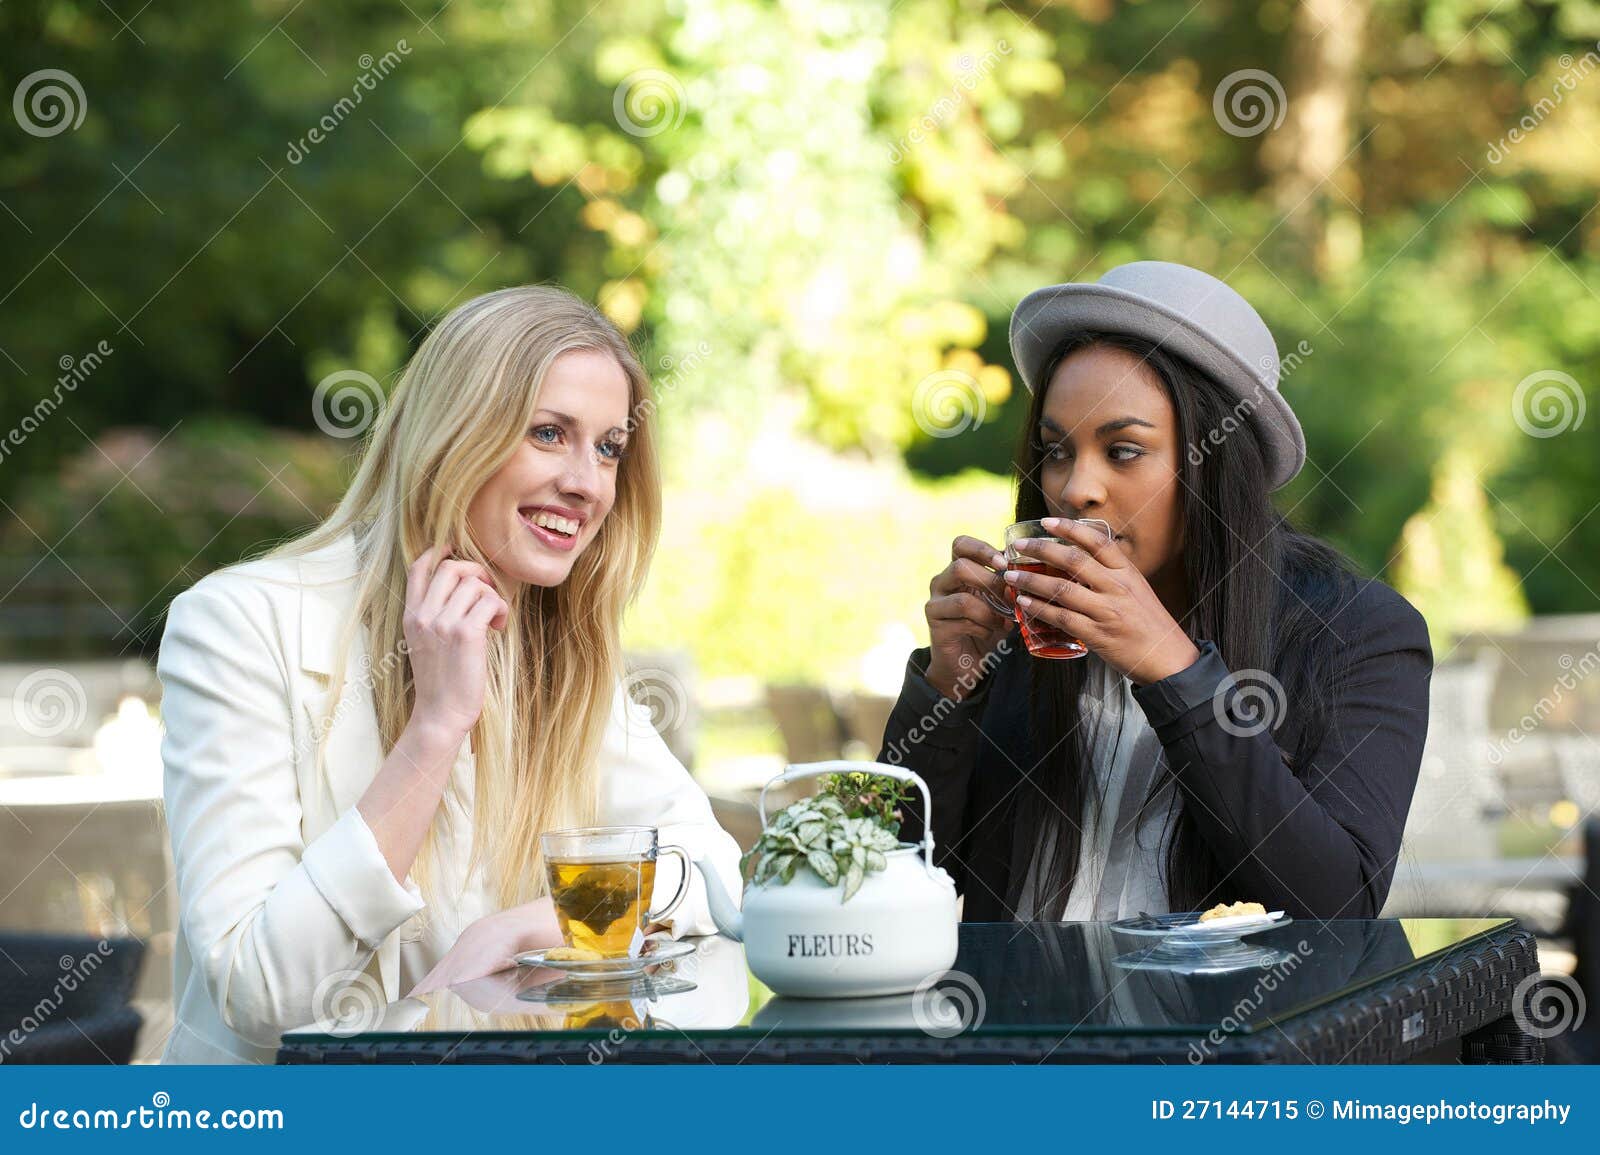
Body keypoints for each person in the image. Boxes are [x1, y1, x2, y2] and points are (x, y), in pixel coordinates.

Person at [157, 285, 741, 1063]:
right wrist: (435, 730)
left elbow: (712, 871)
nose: (588, 483)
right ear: (450, 435)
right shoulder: (237, 625)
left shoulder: (555, 650)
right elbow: (260, 993)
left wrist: (549, 922)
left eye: (608, 447)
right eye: (547, 433)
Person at [878, 261, 1432, 923]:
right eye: (1056, 450)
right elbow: (876, 884)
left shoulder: (1356, 635)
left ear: (1217, 461)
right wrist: (948, 686)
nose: (1077, 487)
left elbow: (1336, 907)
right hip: (1011, 1022)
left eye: (1123, 450)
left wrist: (1176, 672)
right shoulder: (1021, 637)